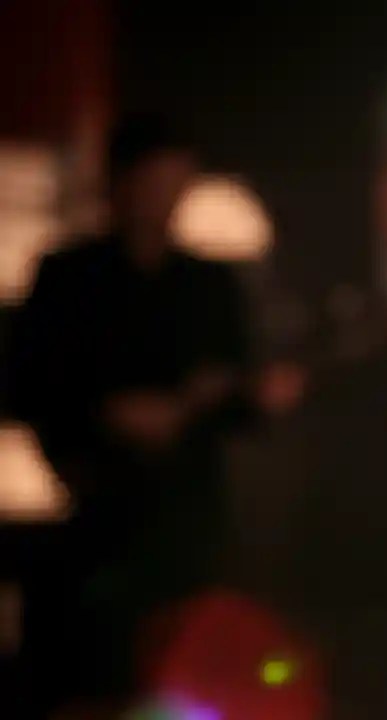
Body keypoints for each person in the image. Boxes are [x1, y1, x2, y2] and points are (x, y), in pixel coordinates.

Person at [8, 116, 304, 717]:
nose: (161, 200)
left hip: (186, 516)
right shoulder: (67, 276)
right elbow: (27, 381)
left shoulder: (209, 282)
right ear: (118, 185)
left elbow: (239, 393)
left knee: (185, 669)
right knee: (87, 672)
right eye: (150, 184)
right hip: (86, 504)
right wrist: (105, 415)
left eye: (174, 185)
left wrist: (248, 398)